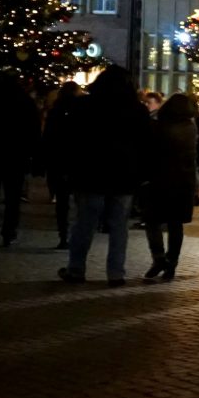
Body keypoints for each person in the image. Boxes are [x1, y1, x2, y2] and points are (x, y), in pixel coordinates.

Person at [56, 67, 149, 285]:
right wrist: (142, 173)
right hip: (124, 175)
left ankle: (76, 268)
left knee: (85, 223)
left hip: (90, 173)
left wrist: (68, 168)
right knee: (119, 226)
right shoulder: (137, 109)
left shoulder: (84, 105)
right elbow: (145, 144)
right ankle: (115, 273)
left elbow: (71, 139)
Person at [0, 72, 39, 249]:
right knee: (13, 198)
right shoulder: (26, 102)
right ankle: (9, 231)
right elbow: (33, 131)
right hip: (16, 156)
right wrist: (33, 154)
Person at [141, 93, 199, 281]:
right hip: (183, 182)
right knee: (175, 225)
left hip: (159, 180)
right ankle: (171, 263)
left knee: (153, 221)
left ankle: (158, 258)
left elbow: (149, 153)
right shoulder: (190, 128)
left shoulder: (158, 127)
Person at [41, 81, 84, 248]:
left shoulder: (55, 111)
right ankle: (77, 234)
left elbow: (48, 138)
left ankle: (63, 235)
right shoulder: (82, 111)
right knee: (81, 201)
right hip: (77, 161)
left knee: (62, 202)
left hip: (57, 161)